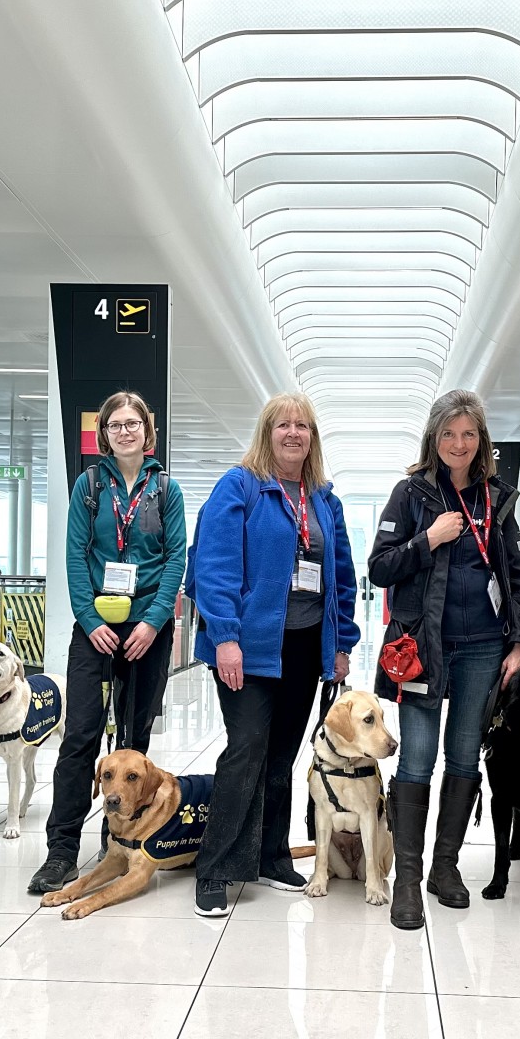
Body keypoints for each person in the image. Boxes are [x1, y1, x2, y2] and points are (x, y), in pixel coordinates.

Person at [368, 389, 520, 930]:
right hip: (422, 649)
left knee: (464, 758)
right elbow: (380, 567)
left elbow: (519, 576)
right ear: (434, 438)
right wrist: (429, 539)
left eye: (468, 434)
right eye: (448, 434)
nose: (458, 444)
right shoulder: (411, 494)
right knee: (417, 759)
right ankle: (408, 881)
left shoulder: (498, 498)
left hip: (485, 649)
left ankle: (445, 868)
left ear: (481, 440)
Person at [191, 392, 358, 917]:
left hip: (306, 648)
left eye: (303, 426)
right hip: (248, 646)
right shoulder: (239, 486)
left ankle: (270, 855)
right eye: (283, 425)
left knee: (283, 754)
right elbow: (212, 568)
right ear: (267, 432)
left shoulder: (324, 499)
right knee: (246, 749)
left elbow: (343, 577)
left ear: (312, 437)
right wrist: (225, 638)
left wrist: (341, 644)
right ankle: (215, 867)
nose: (294, 433)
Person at [28, 391, 187, 894]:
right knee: (80, 739)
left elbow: (176, 558)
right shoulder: (89, 486)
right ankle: (60, 851)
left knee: (134, 744)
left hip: (147, 632)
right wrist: (87, 616)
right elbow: (75, 555)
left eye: (132, 423)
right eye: (115, 424)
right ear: (104, 432)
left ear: (147, 431)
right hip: (95, 628)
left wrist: (154, 620)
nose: (124, 431)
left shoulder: (167, 489)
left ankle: (117, 840)